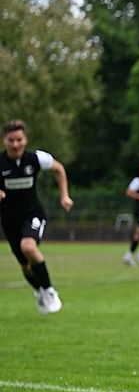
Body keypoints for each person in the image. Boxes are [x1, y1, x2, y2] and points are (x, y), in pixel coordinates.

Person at [0, 119, 73, 314]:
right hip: (9, 219)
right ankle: (39, 291)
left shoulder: (36, 158)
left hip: (33, 213)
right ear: (4, 141)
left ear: (25, 140)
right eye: (11, 140)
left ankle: (49, 290)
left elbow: (59, 169)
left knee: (28, 247)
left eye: (19, 140)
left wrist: (64, 195)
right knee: (25, 266)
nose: (15, 144)